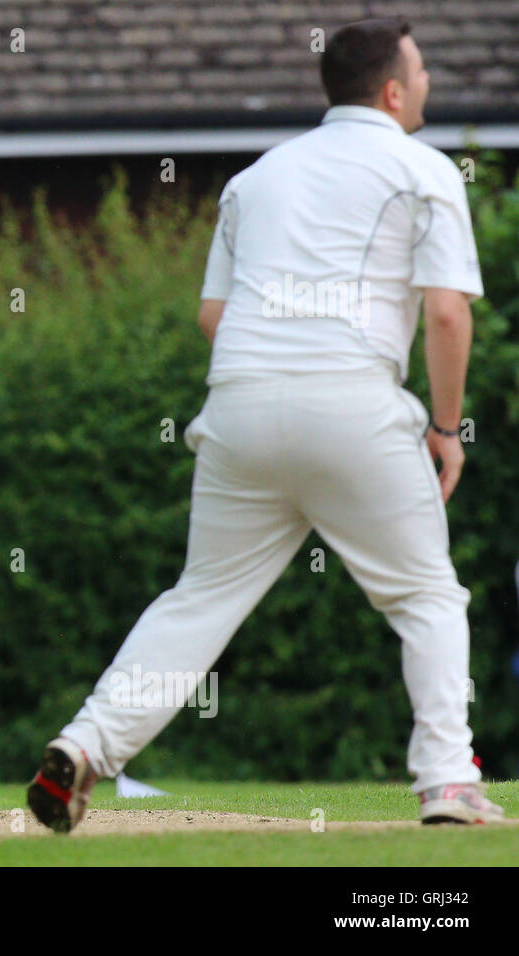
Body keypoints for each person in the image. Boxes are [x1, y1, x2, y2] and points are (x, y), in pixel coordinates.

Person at [28, 18, 504, 830]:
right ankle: (448, 782)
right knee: (427, 595)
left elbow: (215, 315)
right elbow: (449, 316)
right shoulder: (425, 170)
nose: (427, 83)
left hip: (239, 406)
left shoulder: (258, 177)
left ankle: (85, 747)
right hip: (354, 403)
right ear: (393, 90)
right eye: (420, 72)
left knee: (200, 599)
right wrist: (448, 430)